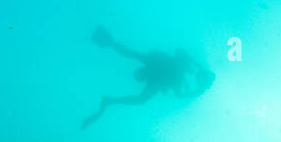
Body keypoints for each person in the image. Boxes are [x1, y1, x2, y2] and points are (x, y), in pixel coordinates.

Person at [81, 27, 215, 128]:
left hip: (177, 72)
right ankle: (110, 101)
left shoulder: (153, 65)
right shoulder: (156, 77)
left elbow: (129, 53)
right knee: (141, 99)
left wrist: (111, 43)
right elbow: (179, 93)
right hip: (177, 73)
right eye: (141, 76)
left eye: (140, 75)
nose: (141, 75)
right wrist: (196, 92)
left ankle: (110, 101)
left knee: (141, 99)